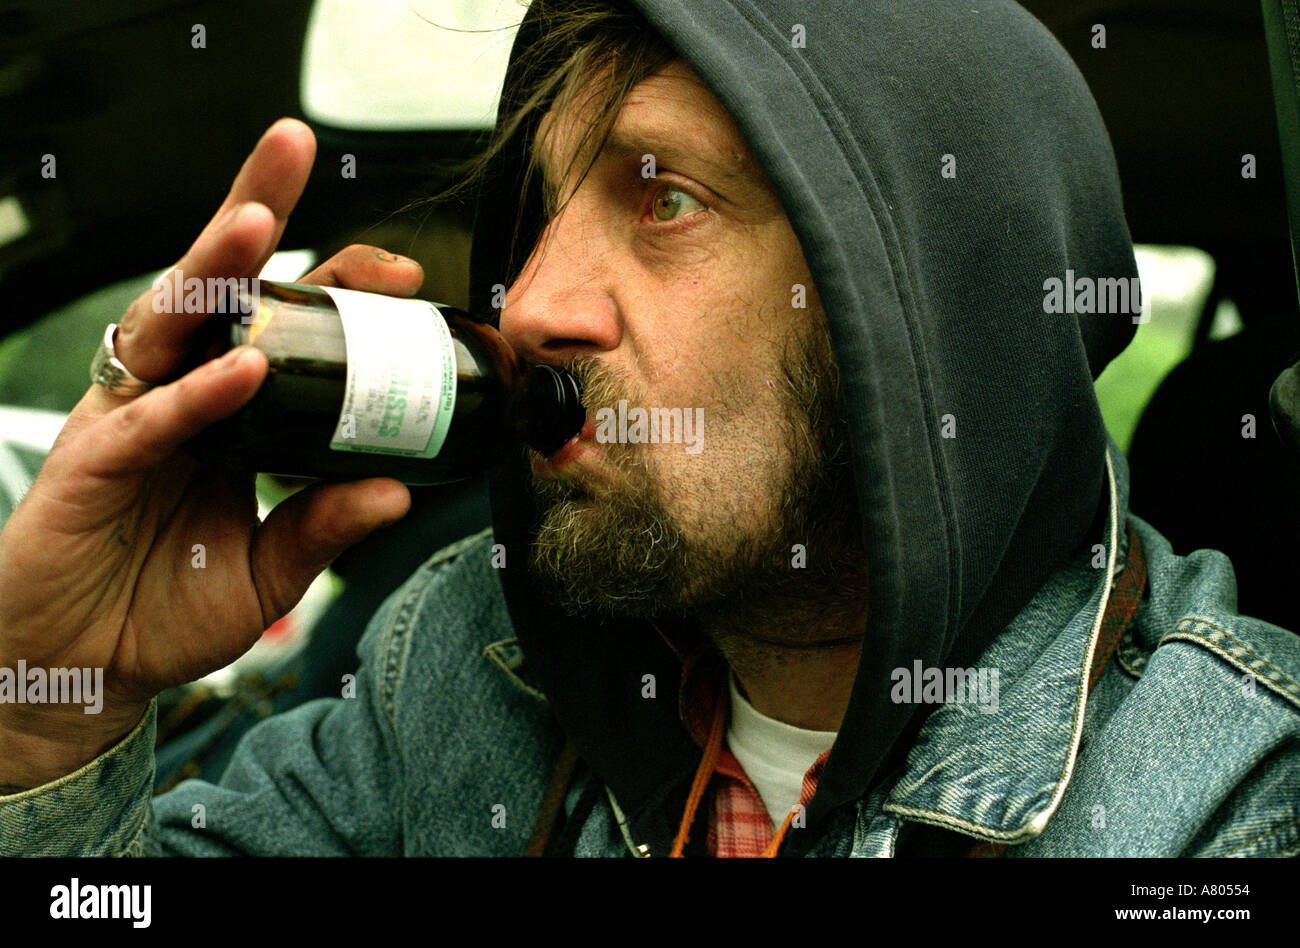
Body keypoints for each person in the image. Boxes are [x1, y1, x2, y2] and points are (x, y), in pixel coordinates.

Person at [1, 0, 1297, 857]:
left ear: (921, 297)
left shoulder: (1225, 795)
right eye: (546, 216)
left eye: (664, 199)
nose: (538, 303)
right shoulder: (461, 671)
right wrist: (56, 711)